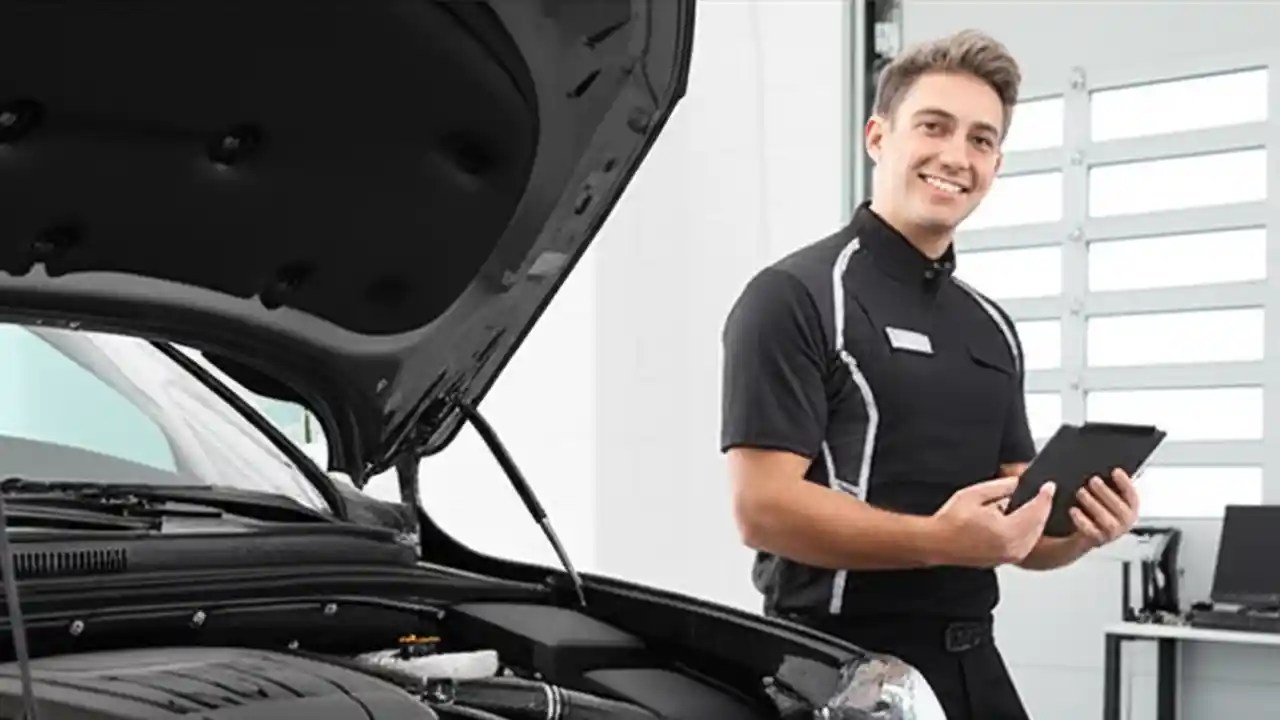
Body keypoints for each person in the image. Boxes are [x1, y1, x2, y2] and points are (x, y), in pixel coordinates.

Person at [719, 29, 1141, 720]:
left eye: (980, 139)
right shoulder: (795, 296)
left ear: (996, 164)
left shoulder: (991, 327)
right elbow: (761, 509)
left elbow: (1022, 535)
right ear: (878, 136)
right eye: (934, 127)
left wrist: (1082, 530)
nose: (956, 156)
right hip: (839, 669)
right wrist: (942, 540)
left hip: (974, 663)